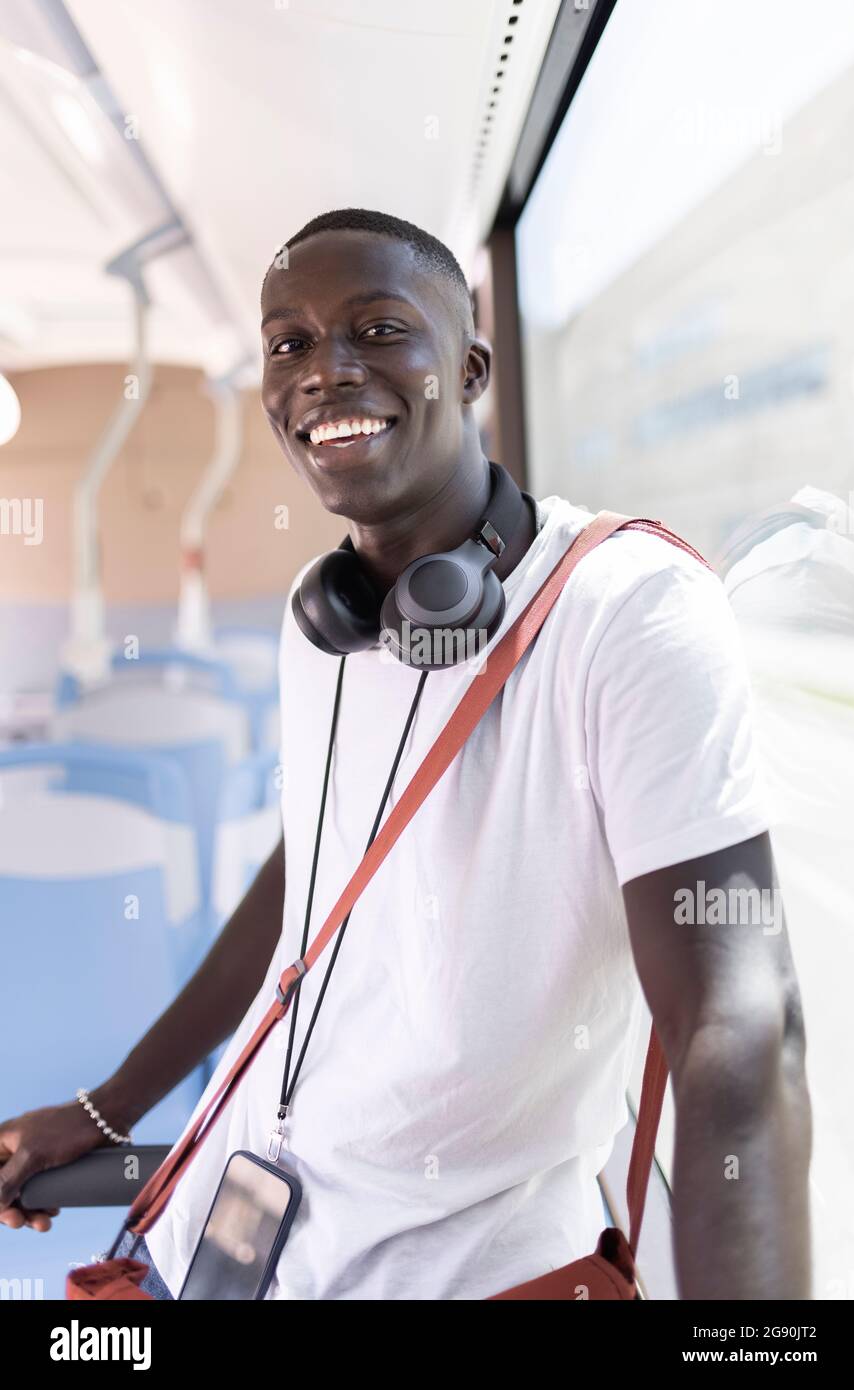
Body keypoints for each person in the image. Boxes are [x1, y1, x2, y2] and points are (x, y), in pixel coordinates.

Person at [0, 209, 812, 1300]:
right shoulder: (320, 624)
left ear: (472, 366)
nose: (323, 371)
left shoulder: (630, 610)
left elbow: (736, 1030)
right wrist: (109, 1108)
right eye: (288, 344)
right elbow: (309, 879)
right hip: (227, 1230)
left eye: (377, 330)